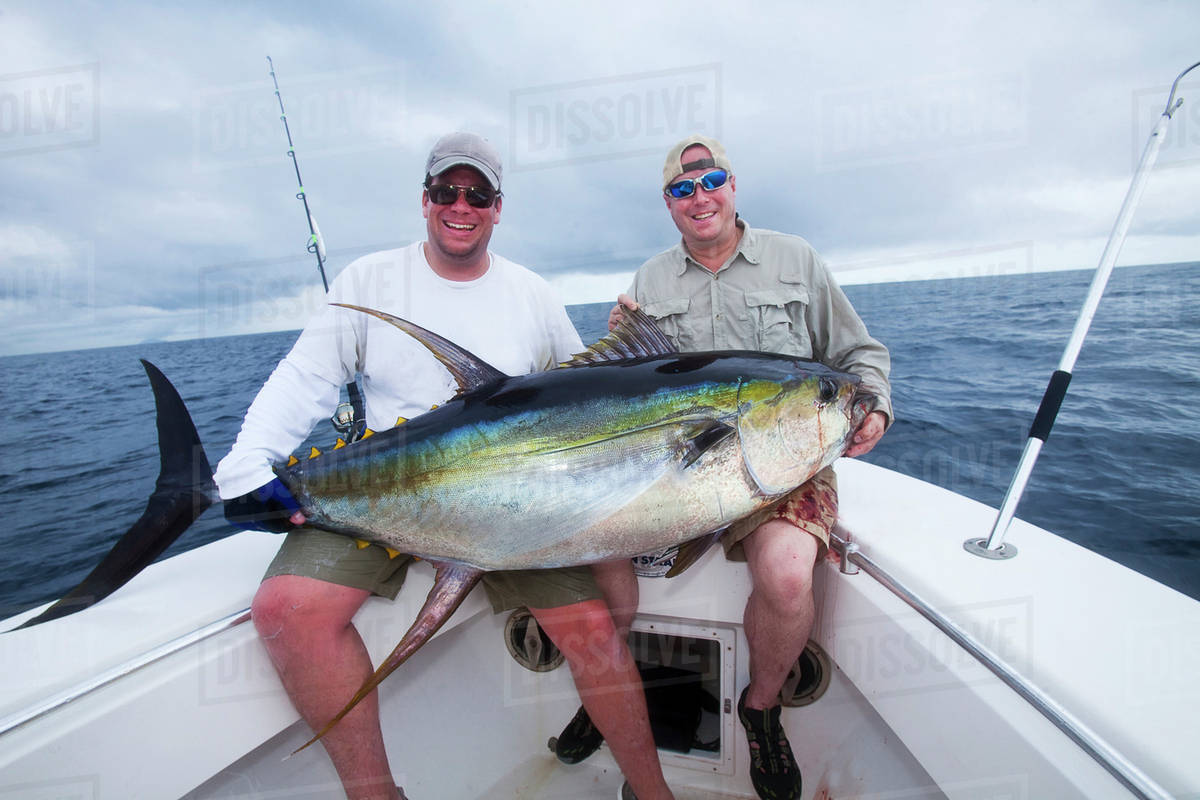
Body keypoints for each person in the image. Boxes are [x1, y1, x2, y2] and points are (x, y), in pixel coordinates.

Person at [215, 132, 674, 800]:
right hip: (391, 489)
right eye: (446, 191)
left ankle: (652, 792)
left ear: (496, 207)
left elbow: (587, 402)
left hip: (520, 500)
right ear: (425, 200)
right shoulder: (369, 280)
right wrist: (247, 463)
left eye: (477, 194)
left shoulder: (532, 294)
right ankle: (376, 795)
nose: (461, 205)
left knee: (594, 632)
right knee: (287, 609)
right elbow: (306, 378)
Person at [555, 134, 892, 800]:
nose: (699, 197)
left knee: (790, 575)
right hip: (675, 473)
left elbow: (859, 354)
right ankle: (606, 695)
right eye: (683, 189)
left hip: (784, 464)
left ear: (732, 185)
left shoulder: (795, 260)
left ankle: (762, 706)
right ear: (668, 204)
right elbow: (624, 386)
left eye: (710, 181)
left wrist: (874, 407)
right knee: (594, 557)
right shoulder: (649, 283)